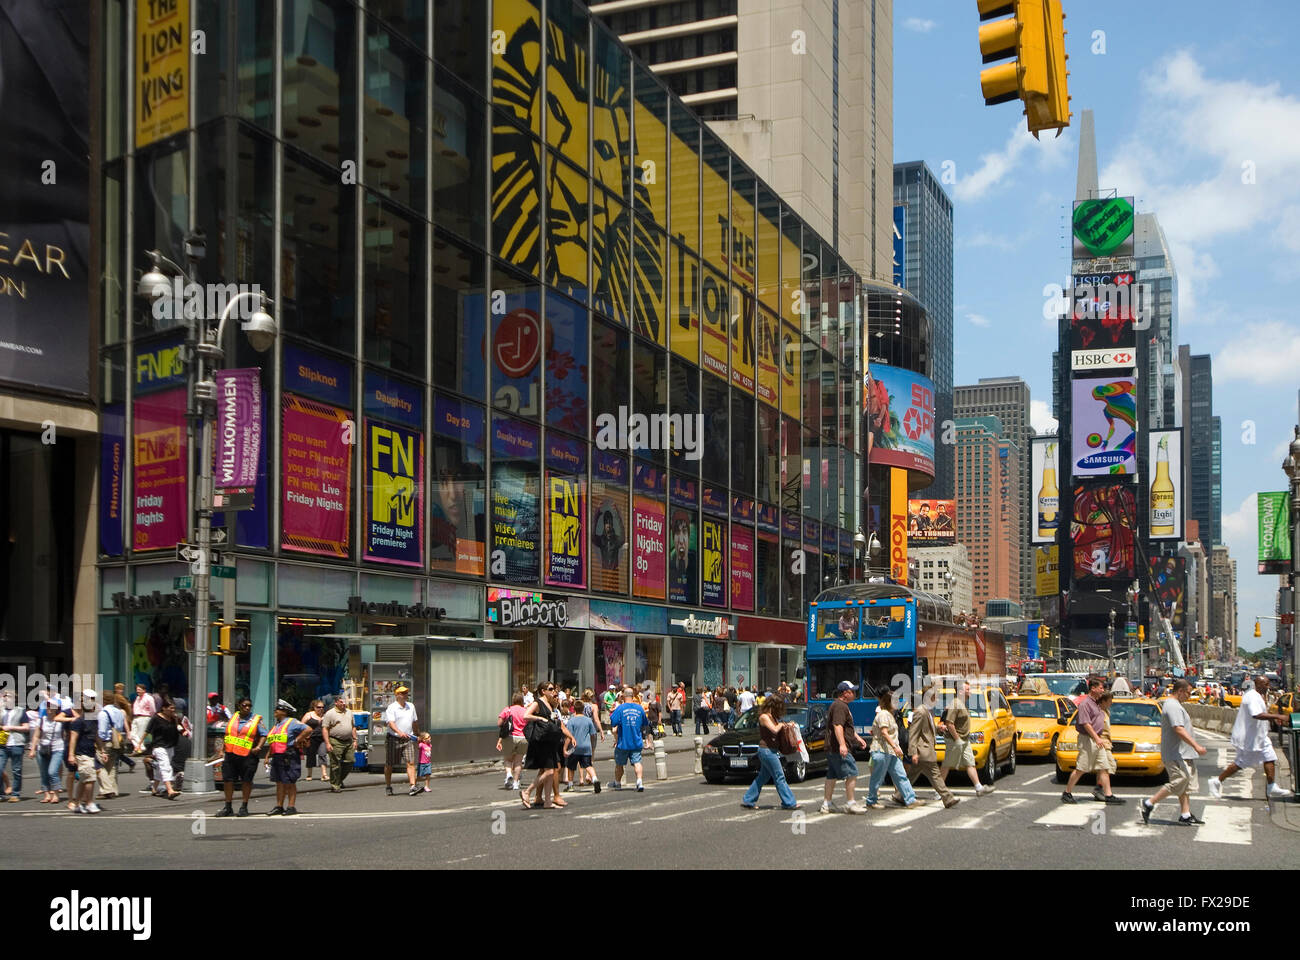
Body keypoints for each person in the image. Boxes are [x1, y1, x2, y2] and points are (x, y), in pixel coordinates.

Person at [1208, 676, 1294, 800]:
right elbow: (1256, 714)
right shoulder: (1252, 697)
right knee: (1240, 763)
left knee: (1270, 757)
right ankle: (1217, 781)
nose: (1268, 687)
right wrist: (1279, 716)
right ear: (1258, 684)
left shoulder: (1257, 696)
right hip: (1250, 737)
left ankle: (1271, 786)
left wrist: (1273, 718)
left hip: (1259, 736)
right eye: (1266, 684)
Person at [1140, 679, 1207, 826]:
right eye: (1188, 693)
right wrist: (1196, 746)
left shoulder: (1174, 705)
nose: (1189, 696)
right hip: (1175, 753)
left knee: (1185, 783)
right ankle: (1150, 802)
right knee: (1180, 780)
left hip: (1182, 752)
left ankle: (1185, 814)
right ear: (1180, 691)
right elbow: (1178, 728)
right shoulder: (1173, 706)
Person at [1061, 677, 1123, 804]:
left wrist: (1099, 738)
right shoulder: (1085, 704)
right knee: (1082, 768)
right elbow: (1085, 724)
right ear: (1093, 688)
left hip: (1097, 740)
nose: (1102, 690)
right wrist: (1096, 738)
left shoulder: (1096, 703)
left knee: (1104, 767)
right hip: (1088, 739)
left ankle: (1108, 795)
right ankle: (1067, 793)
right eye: (1100, 688)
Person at [739, 694, 801, 810]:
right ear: (773, 706)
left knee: (763, 777)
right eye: (778, 707)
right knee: (779, 776)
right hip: (766, 751)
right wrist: (782, 725)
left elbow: (779, 728)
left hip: (771, 750)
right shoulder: (764, 717)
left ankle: (748, 800)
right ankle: (789, 802)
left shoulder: (772, 716)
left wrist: (788, 725)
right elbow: (774, 730)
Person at [905, 682, 959, 809]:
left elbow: (926, 728)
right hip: (923, 750)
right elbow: (913, 733)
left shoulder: (927, 711)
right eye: (936, 696)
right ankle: (948, 798)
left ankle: (899, 795)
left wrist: (938, 728)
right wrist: (913, 752)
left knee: (912, 775)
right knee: (935, 775)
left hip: (925, 750)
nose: (938, 699)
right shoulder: (920, 711)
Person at [865, 689, 922, 808]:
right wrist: (895, 747)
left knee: (901, 775)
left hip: (890, 752)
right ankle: (871, 800)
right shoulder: (884, 714)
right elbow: (884, 733)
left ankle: (910, 799)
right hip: (881, 751)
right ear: (888, 702)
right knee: (878, 777)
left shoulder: (890, 715)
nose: (897, 703)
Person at [522, 682, 572, 809]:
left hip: (550, 741)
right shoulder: (537, 702)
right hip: (541, 742)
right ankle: (527, 791)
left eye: (553, 689)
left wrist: (570, 736)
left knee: (551, 770)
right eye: (550, 689)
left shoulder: (551, 706)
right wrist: (539, 719)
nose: (553, 691)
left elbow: (557, 723)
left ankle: (548, 801)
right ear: (543, 691)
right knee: (549, 771)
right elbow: (526, 715)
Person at [821, 681, 869, 814]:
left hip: (833, 747)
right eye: (852, 691)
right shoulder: (840, 706)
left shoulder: (841, 705)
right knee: (852, 772)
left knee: (832, 775)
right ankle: (850, 803)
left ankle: (827, 804)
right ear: (845, 693)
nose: (854, 694)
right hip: (837, 748)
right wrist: (842, 744)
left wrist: (857, 738)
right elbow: (838, 726)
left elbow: (846, 727)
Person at [942, 680, 996, 798]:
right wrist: (957, 740)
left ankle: (979, 787)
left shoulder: (962, 703)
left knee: (970, 763)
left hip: (964, 740)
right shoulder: (956, 704)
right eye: (967, 689)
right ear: (961, 691)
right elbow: (949, 723)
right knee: (947, 764)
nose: (969, 691)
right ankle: (939, 791)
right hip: (955, 741)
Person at [216, 698, 267, 817]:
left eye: (249, 705)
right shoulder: (233, 717)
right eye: (245, 705)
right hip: (230, 754)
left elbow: (264, 734)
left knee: (246, 781)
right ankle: (228, 806)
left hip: (247, 756)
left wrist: (258, 747)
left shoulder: (256, 720)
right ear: (239, 706)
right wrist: (222, 750)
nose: (247, 707)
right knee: (228, 780)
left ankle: (244, 806)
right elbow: (227, 735)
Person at [264, 699, 312, 816]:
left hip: (288, 756)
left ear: (284, 711)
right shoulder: (277, 725)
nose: (275, 711)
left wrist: (297, 740)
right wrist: (267, 756)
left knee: (290, 781)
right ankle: (279, 806)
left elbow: (308, 729)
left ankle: (291, 806)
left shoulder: (292, 722)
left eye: (278, 709)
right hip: (277, 756)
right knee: (279, 782)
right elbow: (274, 741)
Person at [64, 689, 104, 814]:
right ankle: (89, 803)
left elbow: (96, 737)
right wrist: (71, 755)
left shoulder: (94, 720)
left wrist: (102, 751)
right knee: (90, 778)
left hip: (91, 753)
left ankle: (76, 804)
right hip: (81, 754)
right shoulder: (78, 721)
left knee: (83, 780)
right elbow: (73, 739)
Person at [27, 692, 65, 804]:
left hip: (57, 748)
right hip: (43, 748)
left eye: (51, 706)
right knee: (44, 773)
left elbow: (66, 735)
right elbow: (36, 735)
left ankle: (56, 793)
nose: (48, 708)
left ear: (56, 708)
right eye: (47, 706)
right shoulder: (42, 720)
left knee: (52, 771)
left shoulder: (61, 720)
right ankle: (47, 794)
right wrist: (32, 749)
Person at [383, 684, 420, 797]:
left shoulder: (411, 706)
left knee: (411, 762)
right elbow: (391, 723)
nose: (405, 695)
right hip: (393, 739)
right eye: (403, 693)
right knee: (390, 764)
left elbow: (414, 722)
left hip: (408, 739)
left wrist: (417, 734)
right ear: (397, 695)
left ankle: (413, 786)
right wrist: (399, 732)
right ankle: (388, 786)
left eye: (406, 693)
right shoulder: (392, 707)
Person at [608, 686, 647, 792]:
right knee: (637, 762)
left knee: (619, 764)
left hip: (623, 741)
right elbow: (645, 723)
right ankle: (639, 781)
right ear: (633, 696)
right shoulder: (639, 708)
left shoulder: (620, 708)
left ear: (623, 696)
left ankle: (617, 782)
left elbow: (613, 721)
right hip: (636, 740)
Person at [145, 700, 186, 800]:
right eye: (171, 708)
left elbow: (178, 729)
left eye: (174, 708)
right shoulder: (156, 718)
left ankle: (154, 788)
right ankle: (170, 790)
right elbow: (147, 731)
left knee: (160, 768)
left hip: (170, 745)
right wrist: (139, 744)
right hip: (159, 746)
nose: (173, 710)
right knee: (166, 766)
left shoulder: (173, 718)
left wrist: (176, 720)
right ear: (164, 708)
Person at [95, 691, 129, 799]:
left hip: (107, 741)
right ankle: (113, 789)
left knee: (99, 765)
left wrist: (99, 743)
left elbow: (102, 731)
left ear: (103, 700)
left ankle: (106, 790)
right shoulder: (119, 711)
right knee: (112, 766)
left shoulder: (103, 713)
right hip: (117, 741)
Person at [322, 694, 357, 793]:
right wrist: (327, 743)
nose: (344, 703)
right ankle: (335, 785)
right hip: (335, 740)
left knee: (350, 761)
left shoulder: (349, 712)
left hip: (348, 740)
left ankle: (339, 779)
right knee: (335, 764)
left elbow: (353, 726)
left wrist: (355, 740)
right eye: (341, 702)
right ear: (336, 703)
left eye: (345, 702)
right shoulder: (330, 713)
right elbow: (325, 728)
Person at [562, 700, 598, 792]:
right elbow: (593, 734)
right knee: (588, 765)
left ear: (574, 709)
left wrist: (565, 748)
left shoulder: (572, 720)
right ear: (583, 709)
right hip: (586, 747)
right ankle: (594, 779)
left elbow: (569, 736)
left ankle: (570, 785)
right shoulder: (588, 720)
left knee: (571, 766)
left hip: (574, 747)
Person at [496, 692, 529, 791]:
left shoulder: (508, 709)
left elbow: (499, 723)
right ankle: (515, 783)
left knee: (508, 759)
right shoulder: (526, 710)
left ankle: (509, 774)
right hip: (523, 738)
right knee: (518, 762)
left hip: (510, 737)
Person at [0, 690, 28, 801]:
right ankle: (1, 793)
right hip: (2, 743)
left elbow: (26, 727)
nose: (7, 698)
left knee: (16, 770)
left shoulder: (20, 711)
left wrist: (11, 727)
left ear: (14, 699)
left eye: (9, 696)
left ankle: (15, 794)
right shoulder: (1, 711)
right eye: (5, 696)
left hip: (17, 743)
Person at [301, 700, 328, 782]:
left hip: (322, 738)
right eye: (318, 707)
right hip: (311, 738)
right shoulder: (309, 715)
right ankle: (309, 774)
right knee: (310, 755)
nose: (321, 709)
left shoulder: (325, 715)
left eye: (322, 707)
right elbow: (301, 725)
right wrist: (305, 736)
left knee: (322, 754)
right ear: (314, 707)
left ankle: (324, 774)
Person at [130, 683, 157, 754]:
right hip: (136, 716)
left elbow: (153, 710)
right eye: (137, 690)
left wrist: (149, 717)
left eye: (139, 689)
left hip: (144, 717)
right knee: (132, 734)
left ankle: (137, 750)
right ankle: (141, 747)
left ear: (144, 690)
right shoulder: (137, 698)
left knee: (140, 735)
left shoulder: (149, 698)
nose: (137, 691)